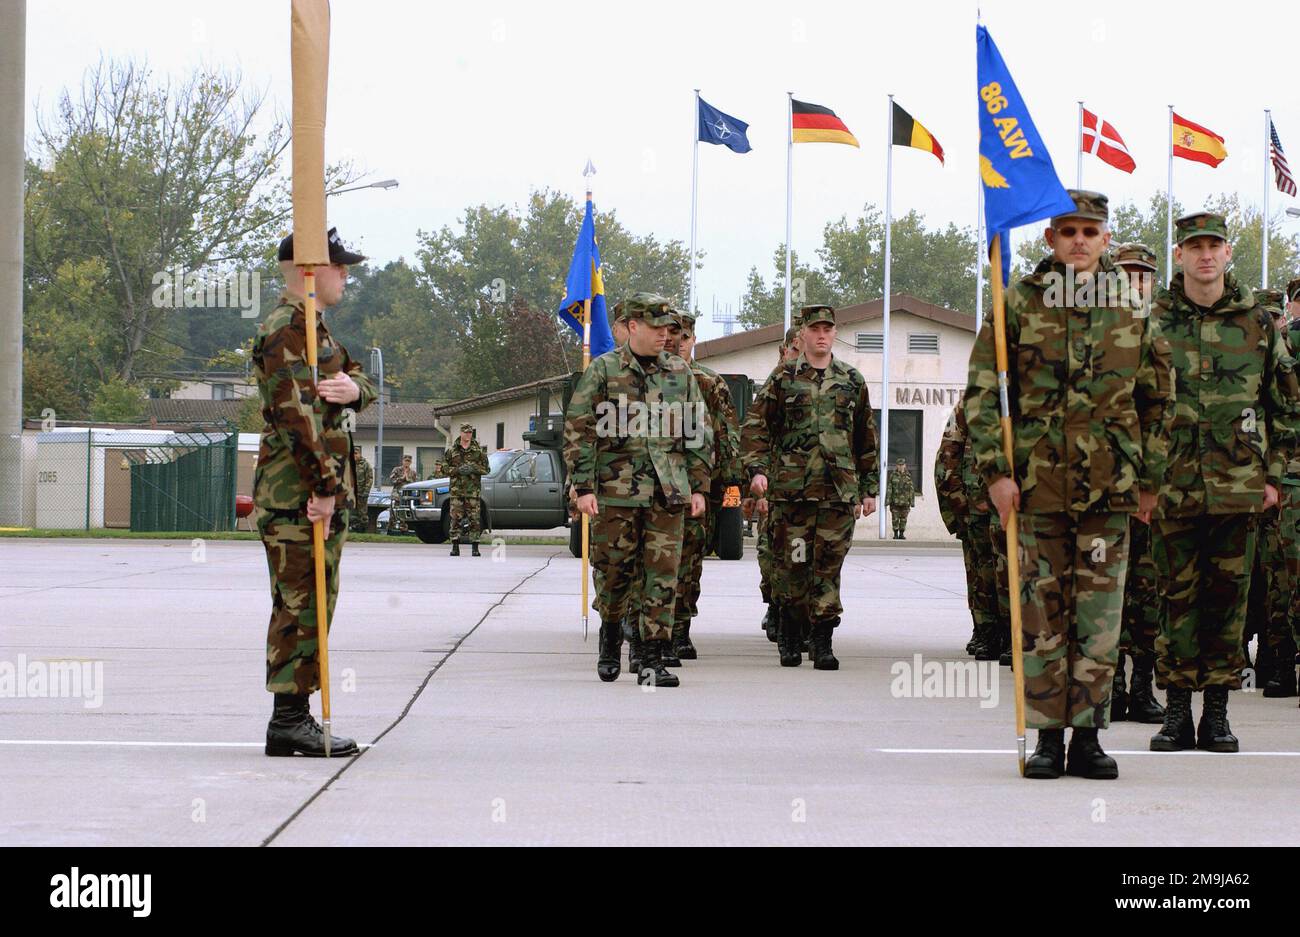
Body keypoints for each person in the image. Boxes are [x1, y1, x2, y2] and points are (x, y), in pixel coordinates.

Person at [965, 190, 1175, 779]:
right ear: (1050, 239)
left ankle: (1087, 738)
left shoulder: (1132, 308)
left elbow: (1160, 400)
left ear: (1106, 238)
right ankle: (1047, 739)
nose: (1079, 241)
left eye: (1090, 231)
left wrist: (1150, 480)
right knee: (1042, 616)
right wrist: (997, 474)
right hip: (1038, 488)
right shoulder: (1017, 304)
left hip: (1110, 490)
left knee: (1099, 619)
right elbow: (983, 392)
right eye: (1068, 231)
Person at [1148, 213, 1300, 753]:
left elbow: (1286, 408)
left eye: (1214, 245)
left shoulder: (1256, 324)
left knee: (1229, 602)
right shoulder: (1153, 322)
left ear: (1228, 252)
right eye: (1195, 247)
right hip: (1172, 488)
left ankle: (1216, 714)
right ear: (1180, 255)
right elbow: (1130, 406)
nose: (1205, 255)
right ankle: (1175, 715)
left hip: (1240, 489)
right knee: (1176, 601)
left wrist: (1275, 477)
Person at [255, 227, 374, 757]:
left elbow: (357, 382)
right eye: (338, 265)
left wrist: (355, 392)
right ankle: (288, 720)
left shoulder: (317, 331)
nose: (346, 274)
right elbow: (293, 420)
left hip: (319, 493)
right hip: (296, 496)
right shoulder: (286, 331)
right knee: (300, 605)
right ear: (309, 271)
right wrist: (324, 487)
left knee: (317, 604)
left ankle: (296, 714)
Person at [563, 292, 712, 687]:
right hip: (615, 494)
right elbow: (580, 430)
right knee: (614, 574)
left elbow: (698, 432)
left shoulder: (680, 373)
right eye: (657, 327)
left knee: (662, 577)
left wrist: (699, 487)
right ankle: (610, 636)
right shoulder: (604, 371)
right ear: (633, 327)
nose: (666, 335)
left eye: (668, 328)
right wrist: (583, 487)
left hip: (668, 493)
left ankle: (650, 659)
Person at [742, 304, 879, 670]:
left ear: (835, 334)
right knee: (795, 563)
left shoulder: (852, 381)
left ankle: (823, 641)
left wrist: (869, 488)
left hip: (837, 492)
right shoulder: (783, 377)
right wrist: (757, 470)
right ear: (801, 335)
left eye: (827, 329)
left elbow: (866, 437)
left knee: (829, 566)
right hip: (792, 493)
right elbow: (756, 426)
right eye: (814, 329)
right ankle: (790, 633)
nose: (821, 335)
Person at [1107, 243, 1166, 723]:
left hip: (1158, 488)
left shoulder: (1167, 332)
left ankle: (1143, 686)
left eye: (1144, 275)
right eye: (1128, 273)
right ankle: (1110, 687)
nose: (1136, 282)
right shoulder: (1099, 333)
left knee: (1149, 592)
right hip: (1107, 487)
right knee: (1108, 593)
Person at [667, 310, 741, 660]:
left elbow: (727, 439)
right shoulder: (651, 378)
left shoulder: (710, 383)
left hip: (701, 488)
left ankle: (681, 628)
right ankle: (650, 629)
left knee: (691, 560)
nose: (678, 343)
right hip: (657, 487)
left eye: (684, 337)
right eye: (673, 335)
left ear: (693, 339)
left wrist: (731, 489)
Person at [755, 327, 801, 643]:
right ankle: (775, 603)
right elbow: (754, 434)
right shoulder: (775, 385)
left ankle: (802, 617)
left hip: (810, 489)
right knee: (771, 550)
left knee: (805, 555)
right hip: (775, 484)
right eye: (794, 349)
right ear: (783, 350)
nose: (798, 355)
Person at [440, 422, 490, 556]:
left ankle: (475, 547)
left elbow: (487, 469)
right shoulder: (452, 451)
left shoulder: (478, 452)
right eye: (466, 432)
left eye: (470, 432)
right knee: (455, 519)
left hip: (473, 491)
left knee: (474, 519)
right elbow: (443, 469)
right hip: (457, 491)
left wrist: (474, 468)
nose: (468, 435)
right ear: (461, 433)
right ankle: (455, 546)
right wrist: (457, 470)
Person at [886, 458, 915, 539]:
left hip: (905, 502)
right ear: (897, 466)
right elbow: (889, 488)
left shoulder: (908, 476)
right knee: (895, 518)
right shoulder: (893, 475)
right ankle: (895, 533)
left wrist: (912, 501)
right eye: (899, 465)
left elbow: (911, 489)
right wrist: (888, 500)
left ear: (905, 465)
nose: (901, 466)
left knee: (903, 519)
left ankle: (901, 533)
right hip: (895, 501)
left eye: (902, 465)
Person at [387, 454, 417, 533]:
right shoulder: (396, 470)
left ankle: (403, 530)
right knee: (393, 513)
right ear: (402, 461)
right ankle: (391, 530)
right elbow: (392, 481)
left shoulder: (413, 472)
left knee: (405, 513)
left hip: (406, 496)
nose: (407, 463)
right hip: (396, 495)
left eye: (408, 461)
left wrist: (408, 479)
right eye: (405, 461)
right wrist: (402, 478)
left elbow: (415, 484)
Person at [351, 445, 373, 534]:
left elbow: (369, 479)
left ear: (359, 454)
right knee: (352, 512)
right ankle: (354, 528)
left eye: (356, 453)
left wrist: (366, 491)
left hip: (362, 493)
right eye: (353, 454)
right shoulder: (349, 464)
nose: (354, 456)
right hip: (351, 493)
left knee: (362, 513)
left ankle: (363, 530)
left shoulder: (365, 464)